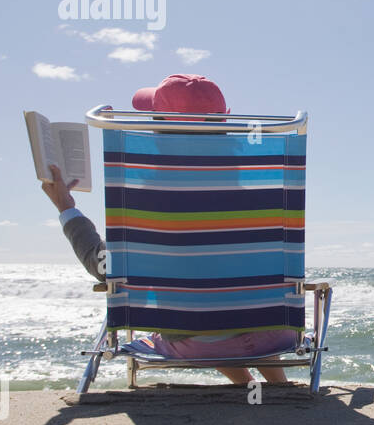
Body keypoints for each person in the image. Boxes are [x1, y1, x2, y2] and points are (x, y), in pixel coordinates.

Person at [42, 73, 292, 384]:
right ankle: (276, 385)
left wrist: (67, 208)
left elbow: (105, 268)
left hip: (197, 344)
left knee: (197, 320)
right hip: (274, 335)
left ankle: (246, 384)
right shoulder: (260, 193)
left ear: (158, 130)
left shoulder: (147, 201)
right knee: (238, 302)